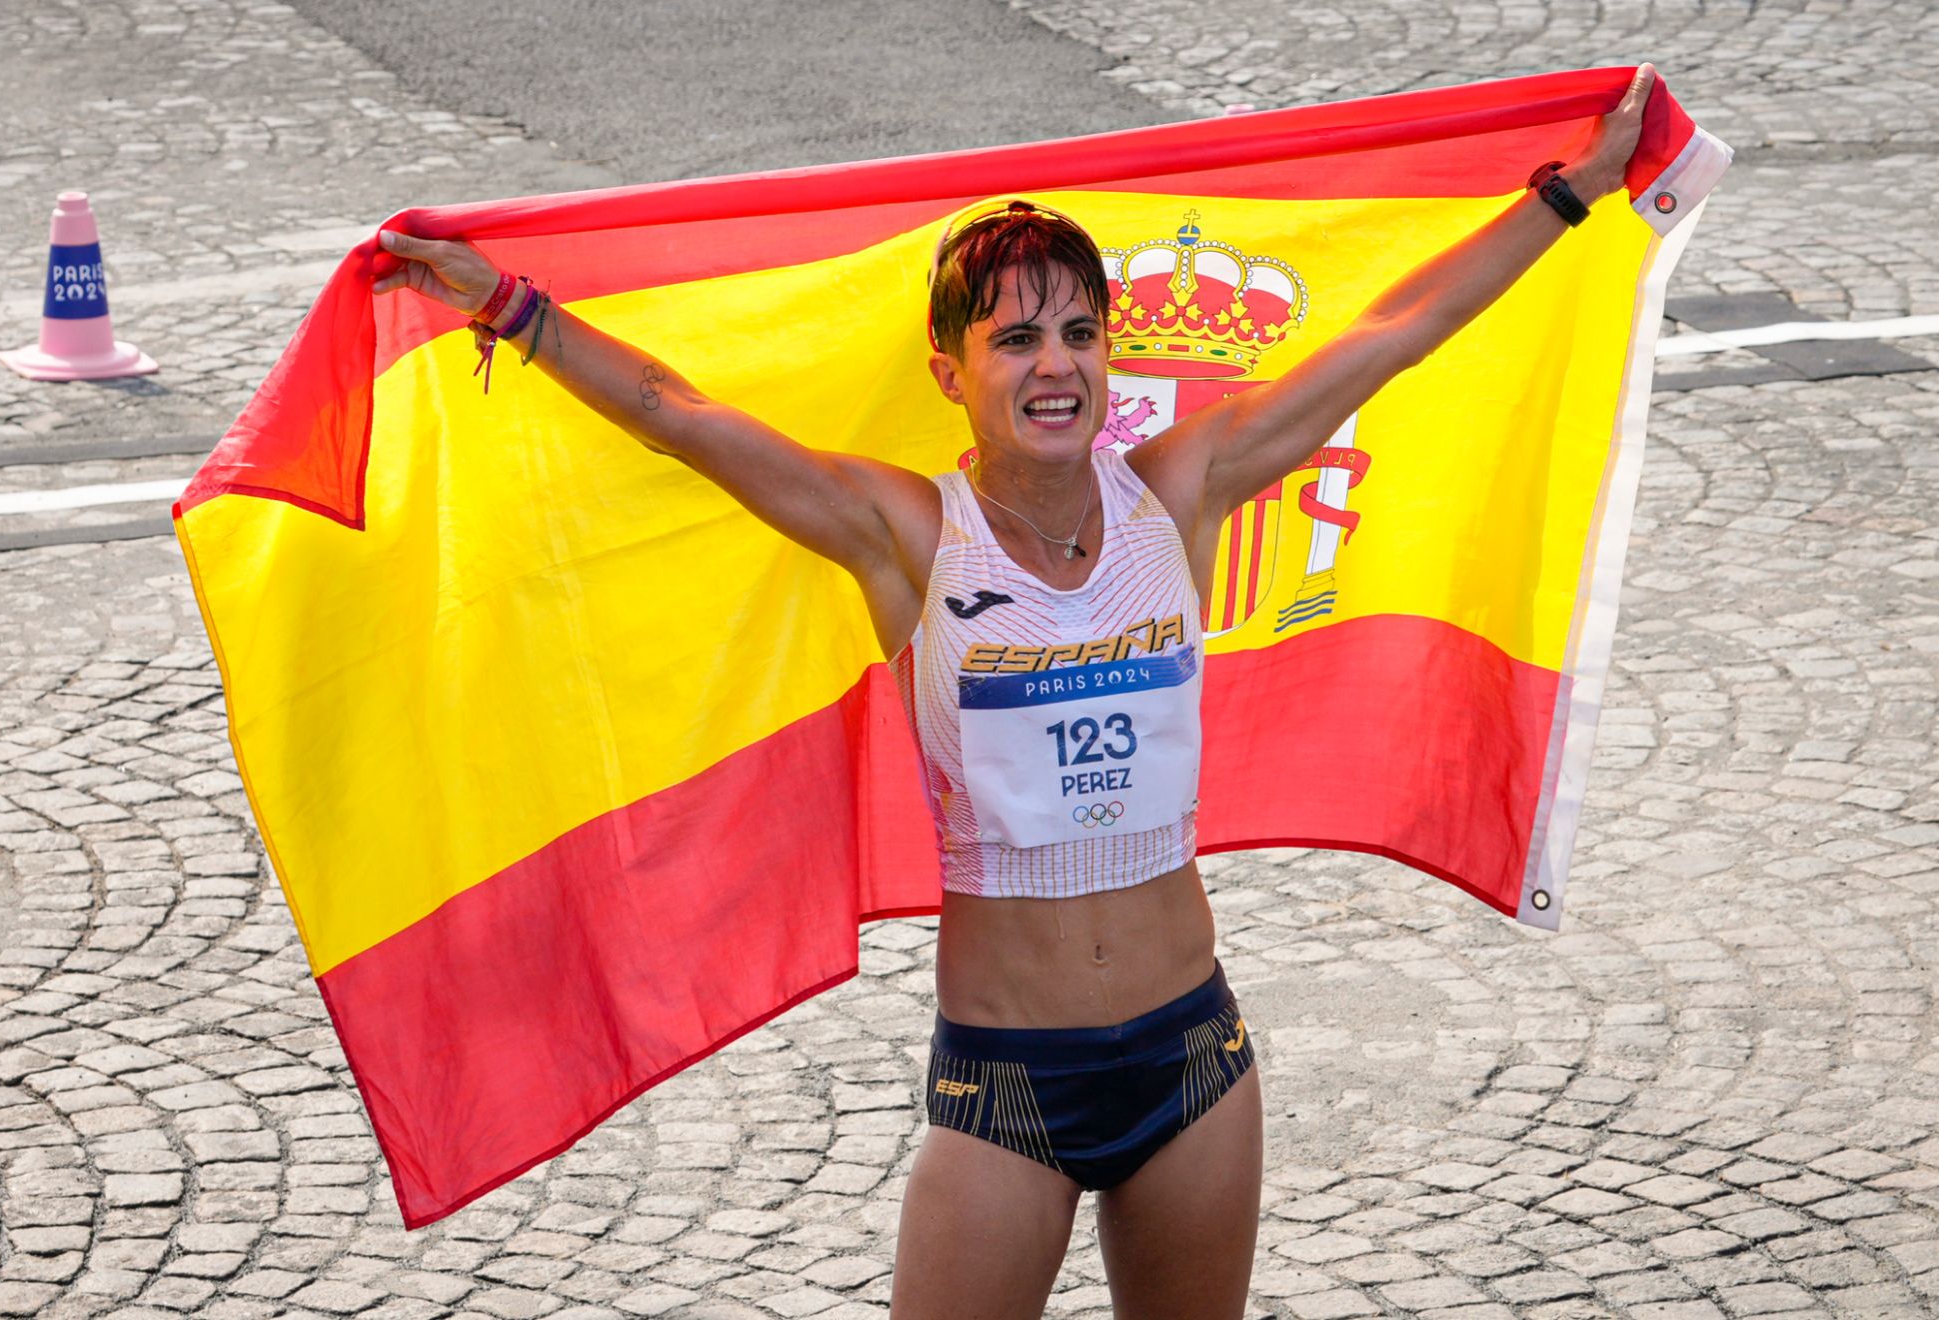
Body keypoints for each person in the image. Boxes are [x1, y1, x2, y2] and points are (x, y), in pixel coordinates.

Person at [374, 64, 1655, 1320]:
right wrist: (513, 309)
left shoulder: (1180, 491)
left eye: (1082, 334)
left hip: (1195, 1059)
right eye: (1018, 337)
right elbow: (680, 413)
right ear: (951, 370)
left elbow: (1391, 337)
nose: (1058, 366)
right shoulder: (906, 536)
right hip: (1007, 1085)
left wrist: (1568, 193)